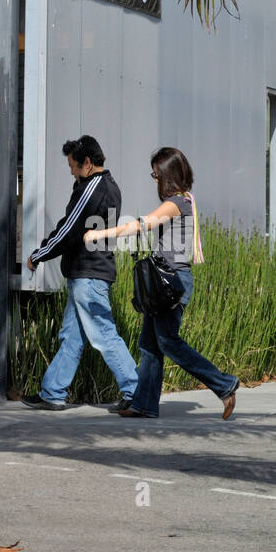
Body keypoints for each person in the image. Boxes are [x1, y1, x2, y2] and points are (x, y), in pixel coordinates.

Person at [84, 147, 238, 419]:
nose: (154, 180)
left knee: (167, 341)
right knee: (149, 344)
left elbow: (143, 224)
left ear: (167, 175)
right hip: (163, 282)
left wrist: (101, 234)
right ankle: (144, 405)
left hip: (172, 283)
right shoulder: (183, 201)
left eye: (156, 175)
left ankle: (224, 384)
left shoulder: (177, 203)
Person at [21, 136, 138, 410]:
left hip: (89, 275)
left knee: (104, 334)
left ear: (87, 163)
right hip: (88, 274)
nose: (71, 171)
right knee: (71, 337)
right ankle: (52, 392)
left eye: (73, 166)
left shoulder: (93, 188)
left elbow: (68, 229)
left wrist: (37, 255)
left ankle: (137, 391)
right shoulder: (107, 186)